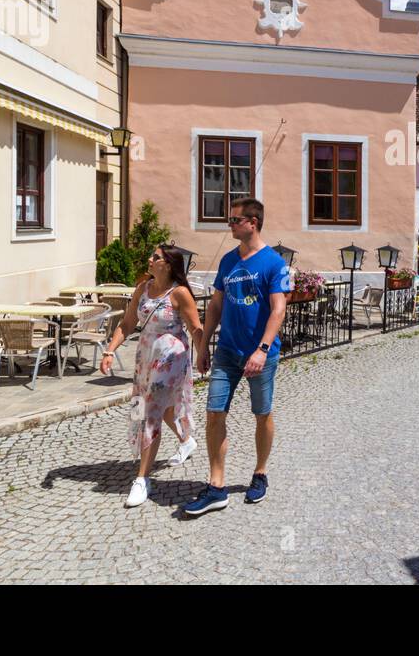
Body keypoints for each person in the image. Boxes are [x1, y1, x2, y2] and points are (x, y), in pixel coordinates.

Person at [183, 197, 291, 517]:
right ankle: (217, 487)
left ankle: (259, 472)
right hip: (227, 352)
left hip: (260, 354)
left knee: (262, 413)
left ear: (252, 223)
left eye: (234, 220)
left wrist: (262, 349)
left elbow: (278, 309)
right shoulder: (228, 261)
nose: (229, 225)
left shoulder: (275, 263)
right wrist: (203, 347)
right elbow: (216, 306)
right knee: (214, 412)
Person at [101, 244, 204, 508]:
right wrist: (110, 350)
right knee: (157, 408)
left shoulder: (180, 293)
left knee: (149, 412)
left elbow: (195, 328)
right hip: (146, 357)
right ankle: (186, 441)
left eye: (155, 257)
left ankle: (142, 479)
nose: (149, 259)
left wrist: (204, 355)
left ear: (167, 265)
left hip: (170, 358)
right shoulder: (142, 289)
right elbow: (127, 324)